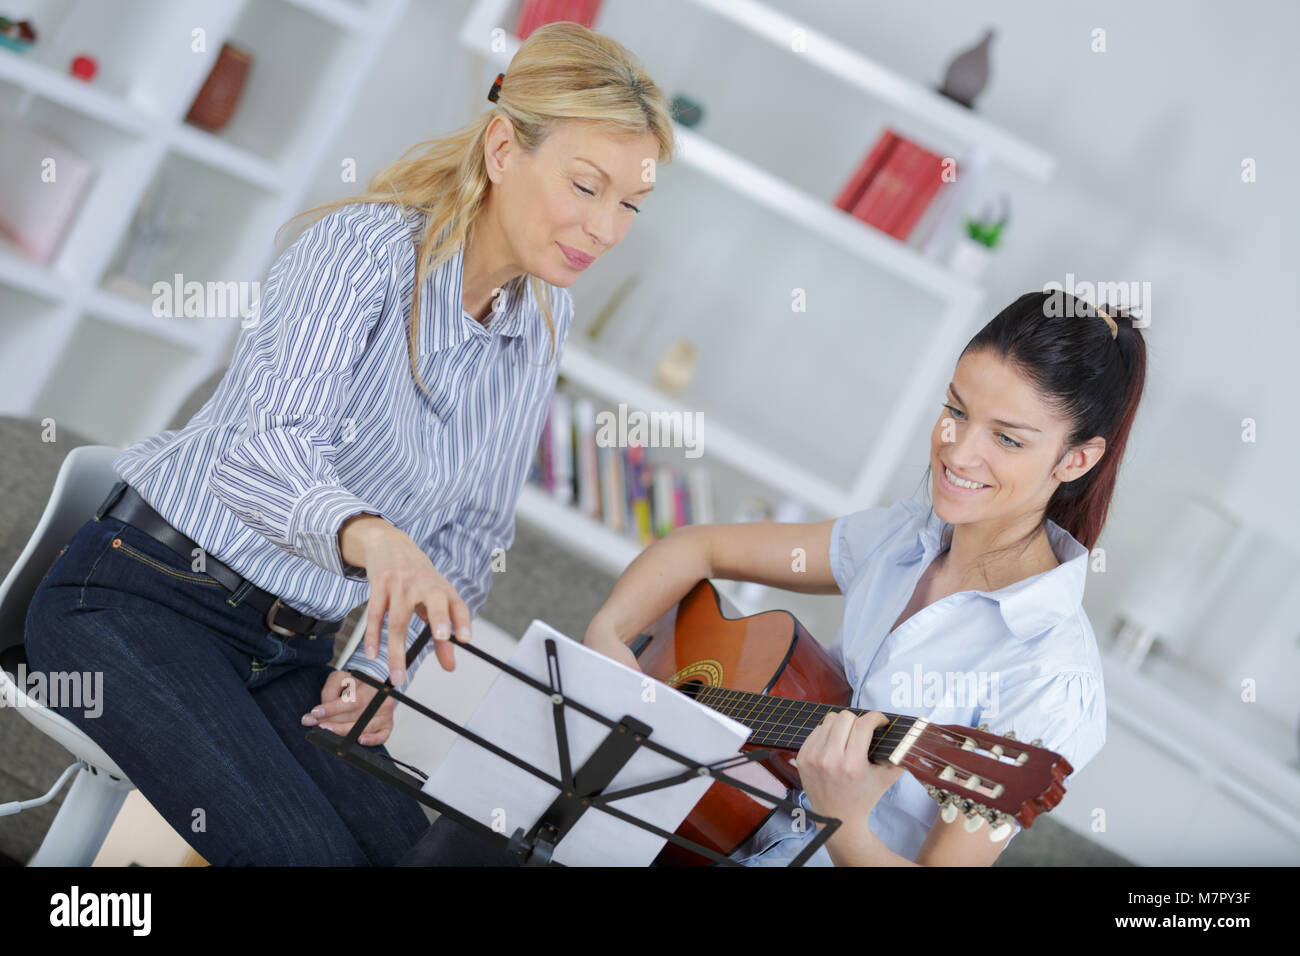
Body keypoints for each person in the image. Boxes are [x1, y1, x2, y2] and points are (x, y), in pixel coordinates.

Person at [23, 22, 674, 866]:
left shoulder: (544, 322)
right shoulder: (362, 248)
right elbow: (259, 449)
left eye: (629, 203)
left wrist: (375, 669)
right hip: (137, 599)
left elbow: (466, 540)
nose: (607, 229)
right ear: (505, 147)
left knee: (417, 857)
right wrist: (372, 538)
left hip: (289, 650)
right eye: (586, 186)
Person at [400, 290, 1146, 866]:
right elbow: (697, 546)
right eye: (955, 410)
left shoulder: (1048, 671)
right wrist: (610, 635)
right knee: (487, 830)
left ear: (1074, 460)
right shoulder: (899, 540)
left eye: (1007, 439)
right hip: (719, 825)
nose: (957, 450)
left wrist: (848, 821)